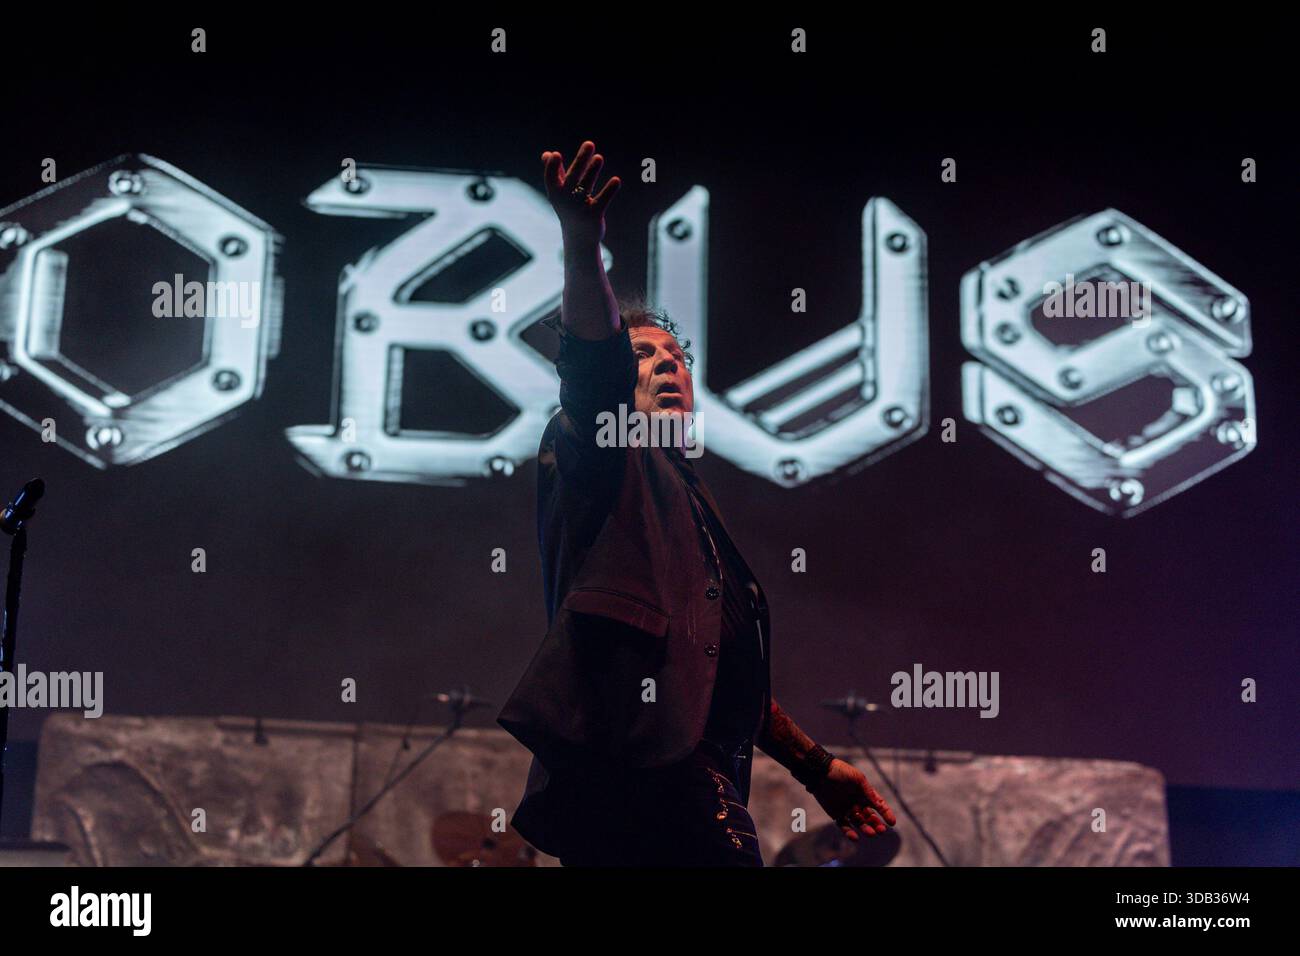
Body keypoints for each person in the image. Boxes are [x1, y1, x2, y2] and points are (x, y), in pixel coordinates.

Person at [498, 140, 896, 866]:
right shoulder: (599, 449)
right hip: (638, 764)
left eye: (674, 358)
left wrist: (816, 767)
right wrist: (582, 246)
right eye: (643, 357)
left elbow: (716, 670)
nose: (663, 368)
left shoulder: (684, 500)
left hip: (683, 773)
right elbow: (593, 367)